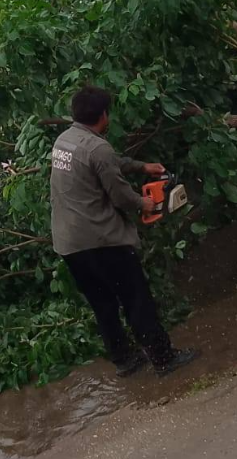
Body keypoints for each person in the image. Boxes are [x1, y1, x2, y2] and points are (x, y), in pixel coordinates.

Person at [50, 85, 198, 378]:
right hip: (102, 241)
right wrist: (147, 202)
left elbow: (105, 163)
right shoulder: (98, 147)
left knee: (103, 304)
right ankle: (163, 358)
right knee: (135, 297)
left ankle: (123, 358)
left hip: (69, 244)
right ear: (103, 115)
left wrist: (143, 167)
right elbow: (120, 196)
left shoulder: (65, 140)